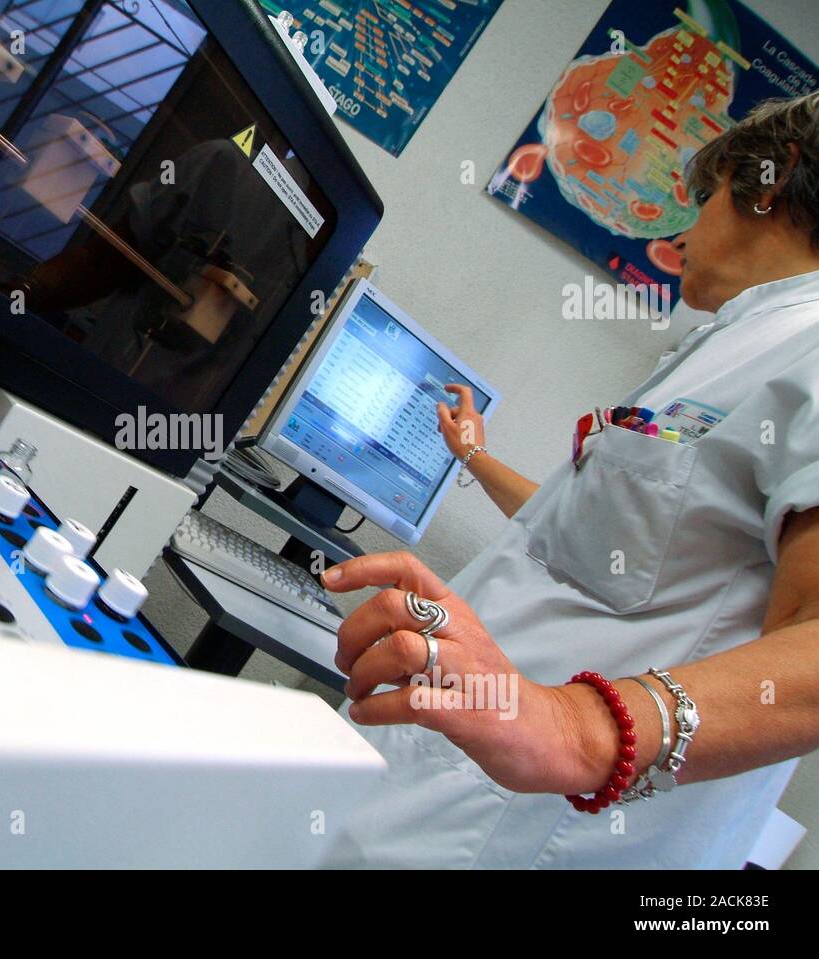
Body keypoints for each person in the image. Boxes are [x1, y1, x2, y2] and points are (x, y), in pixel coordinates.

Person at [321, 91, 819, 868]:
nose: (684, 234)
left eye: (706, 196)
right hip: (442, 787)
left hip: (531, 828)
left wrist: (579, 729)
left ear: (768, 177)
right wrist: (474, 456)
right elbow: (593, 544)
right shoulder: (740, 344)